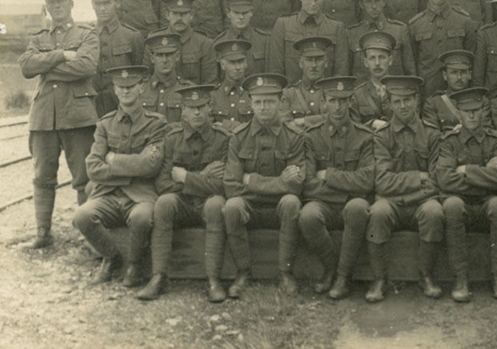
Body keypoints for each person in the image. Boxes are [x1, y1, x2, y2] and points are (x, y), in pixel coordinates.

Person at [19, 0, 99, 249]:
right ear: (47, 6)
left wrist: (48, 68)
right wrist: (62, 55)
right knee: (42, 176)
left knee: (83, 177)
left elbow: (87, 67)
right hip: (44, 117)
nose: (57, 7)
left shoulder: (87, 34)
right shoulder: (39, 37)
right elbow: (27, 66)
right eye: (52, 3)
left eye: (62, 1)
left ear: (72, 4)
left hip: (77, 115)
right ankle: (43, 233)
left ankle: (89, 234)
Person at [73, 65, 167, 287]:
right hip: (108, 194)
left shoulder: (156, 123)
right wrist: (133, 169)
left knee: (142, 217)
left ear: (141, 88)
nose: (126, 91)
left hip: (140, 195)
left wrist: (113, 160)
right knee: (82, 216)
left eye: (131, 86)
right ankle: (111, 257)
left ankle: (134, 265)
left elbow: (151, 165)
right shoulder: (105, 124)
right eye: (121, 87)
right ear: (114, 90)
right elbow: (93, 168)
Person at [136, 84, 230, 302]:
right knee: (164, 203)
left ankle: (214, 280)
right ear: (183, 112)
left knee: (217, 204)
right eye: (190, 107)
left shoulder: (223, 139)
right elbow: (163, 184)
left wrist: (187, 177)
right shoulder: (172, 138)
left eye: (201, 106)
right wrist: (203, 178)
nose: (196, 112)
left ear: (210, 108)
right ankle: (158, 276)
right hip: (183, 203)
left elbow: (223, 185)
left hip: (209, 203)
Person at [222, 73, 308, 298]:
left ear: (280, 102)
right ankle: (243, 272)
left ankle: (285, 273)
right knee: (232, 206)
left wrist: (250, 180)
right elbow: (231, 184)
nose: (264, 108)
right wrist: (280, 181)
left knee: (291, 202)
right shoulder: (239, 137)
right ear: (250, 103)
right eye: (258, 102)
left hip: (280, 208)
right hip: (250, 208)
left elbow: (295, 186)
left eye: (269, 101)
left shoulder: (294, 137)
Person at [366, 75, 444, 302]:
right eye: (397, 101)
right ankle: (379, 278)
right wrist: (418, 177)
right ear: (389, 103)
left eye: (408, 100)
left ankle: (425, 275)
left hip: (422, 202)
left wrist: (410, 186)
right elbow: (381, 181)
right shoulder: (381, 136)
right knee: (378, 212)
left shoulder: (431, 133)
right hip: (391, 203)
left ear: (417, 100)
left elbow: (436, 180)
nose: (403, 106)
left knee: (434, 212)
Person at [299, 77, 375, 300]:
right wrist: (347, 189)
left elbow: (366, 181)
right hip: (323, 203)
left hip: (353, 204)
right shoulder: (312, 137)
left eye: (343, 100)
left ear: (351, 101)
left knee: (358, 207)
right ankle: (331, 267)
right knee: (307, 215)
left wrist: (329, 176)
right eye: (333, 100)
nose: (338, 107)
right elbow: (309, 184)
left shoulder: (364, 137)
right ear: (324, 102)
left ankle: (342, 277)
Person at [436, 87, 497, 301]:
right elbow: (445, 179)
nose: (471, 115)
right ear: (459, 112)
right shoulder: (449, 141)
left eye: (476, 110)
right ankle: (460, 278)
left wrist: (466, 170)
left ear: (483, 111)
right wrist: (485, 173)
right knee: (451, 205)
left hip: (489, 202)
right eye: (466, 110)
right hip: (460, 203)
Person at [408, 0, 477, 96]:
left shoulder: (464, 20)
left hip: (458, 91)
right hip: (428, 90)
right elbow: (413, 62)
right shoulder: (416, 25)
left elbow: (471, 58)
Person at [268, 0, 348, 83]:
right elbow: (276, 70)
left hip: (326, 96)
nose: (313, 3)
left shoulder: (336, 27)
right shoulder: (283, 24)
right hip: (291, 95)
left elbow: (341, 70)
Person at [84, 0, 144, 117]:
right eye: (98, 4)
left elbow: (140, 76)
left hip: (122, 109)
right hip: (91, 109)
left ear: (117, 3)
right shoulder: (85, 36)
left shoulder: (132, 36)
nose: (103, 8)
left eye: (107, 3)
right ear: (92, 5)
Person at [346, 0, 416, 82]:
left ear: (383, 2)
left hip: (395, 93)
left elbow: (410, 71)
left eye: (377, 0)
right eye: (368, 1)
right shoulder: (351, 33)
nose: (374, 6)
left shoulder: (400, 30)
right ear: (361, 5)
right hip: (362, 95)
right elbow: (347, 72)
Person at [149, 0, 216, 85]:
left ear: (191, 15)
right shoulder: (154, 40)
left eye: (184, 14)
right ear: (167, 15)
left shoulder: (204, 43)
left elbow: (210, 81)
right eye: (175, 13)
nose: (179, 18)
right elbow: (146, 78)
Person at [423, 50, 489, 132]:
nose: (459, 77)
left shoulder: (482, 101)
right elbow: (431, 137)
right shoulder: (433, 103)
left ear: (470, 74)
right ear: (445, 75)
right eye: (454, 73)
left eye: (463, 72)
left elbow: (487, 132)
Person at [141, 30, 195, 124]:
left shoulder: (188, 90)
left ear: (177, 56)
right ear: (152, 59)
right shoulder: (141, 89)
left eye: (169, 54)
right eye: (159, 55)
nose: (164, 60)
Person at [281, 36, 332, 130]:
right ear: (301, 63)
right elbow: (284, 126)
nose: (314, 65)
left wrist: (304, 121)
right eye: (309, 60)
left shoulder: (333, 92)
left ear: (326, 63)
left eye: (319, 59)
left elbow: (340, 118)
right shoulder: (289, 94)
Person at [213, 0, 268, 77]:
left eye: (245, 13)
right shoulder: (219, 43)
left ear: (251, 13)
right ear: (228, 13)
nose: (241, 17)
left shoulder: (265, 41)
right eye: (236, 13)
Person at [351, 31, 395, 128]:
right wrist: (371, 124)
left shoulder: (401, 91)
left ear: (390, 60)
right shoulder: (357, 95)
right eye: (372, 58)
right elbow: (354, 131)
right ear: (365, 62)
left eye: (382, 57)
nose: (377, 63)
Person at [209, 39, 253, 131]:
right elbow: (207, 126)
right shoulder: (213, 95)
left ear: (246, 63)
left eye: (241, 62)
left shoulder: (253, 93)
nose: (237, 67)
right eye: (232, 63)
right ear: (223, 65)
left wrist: (225, 125)